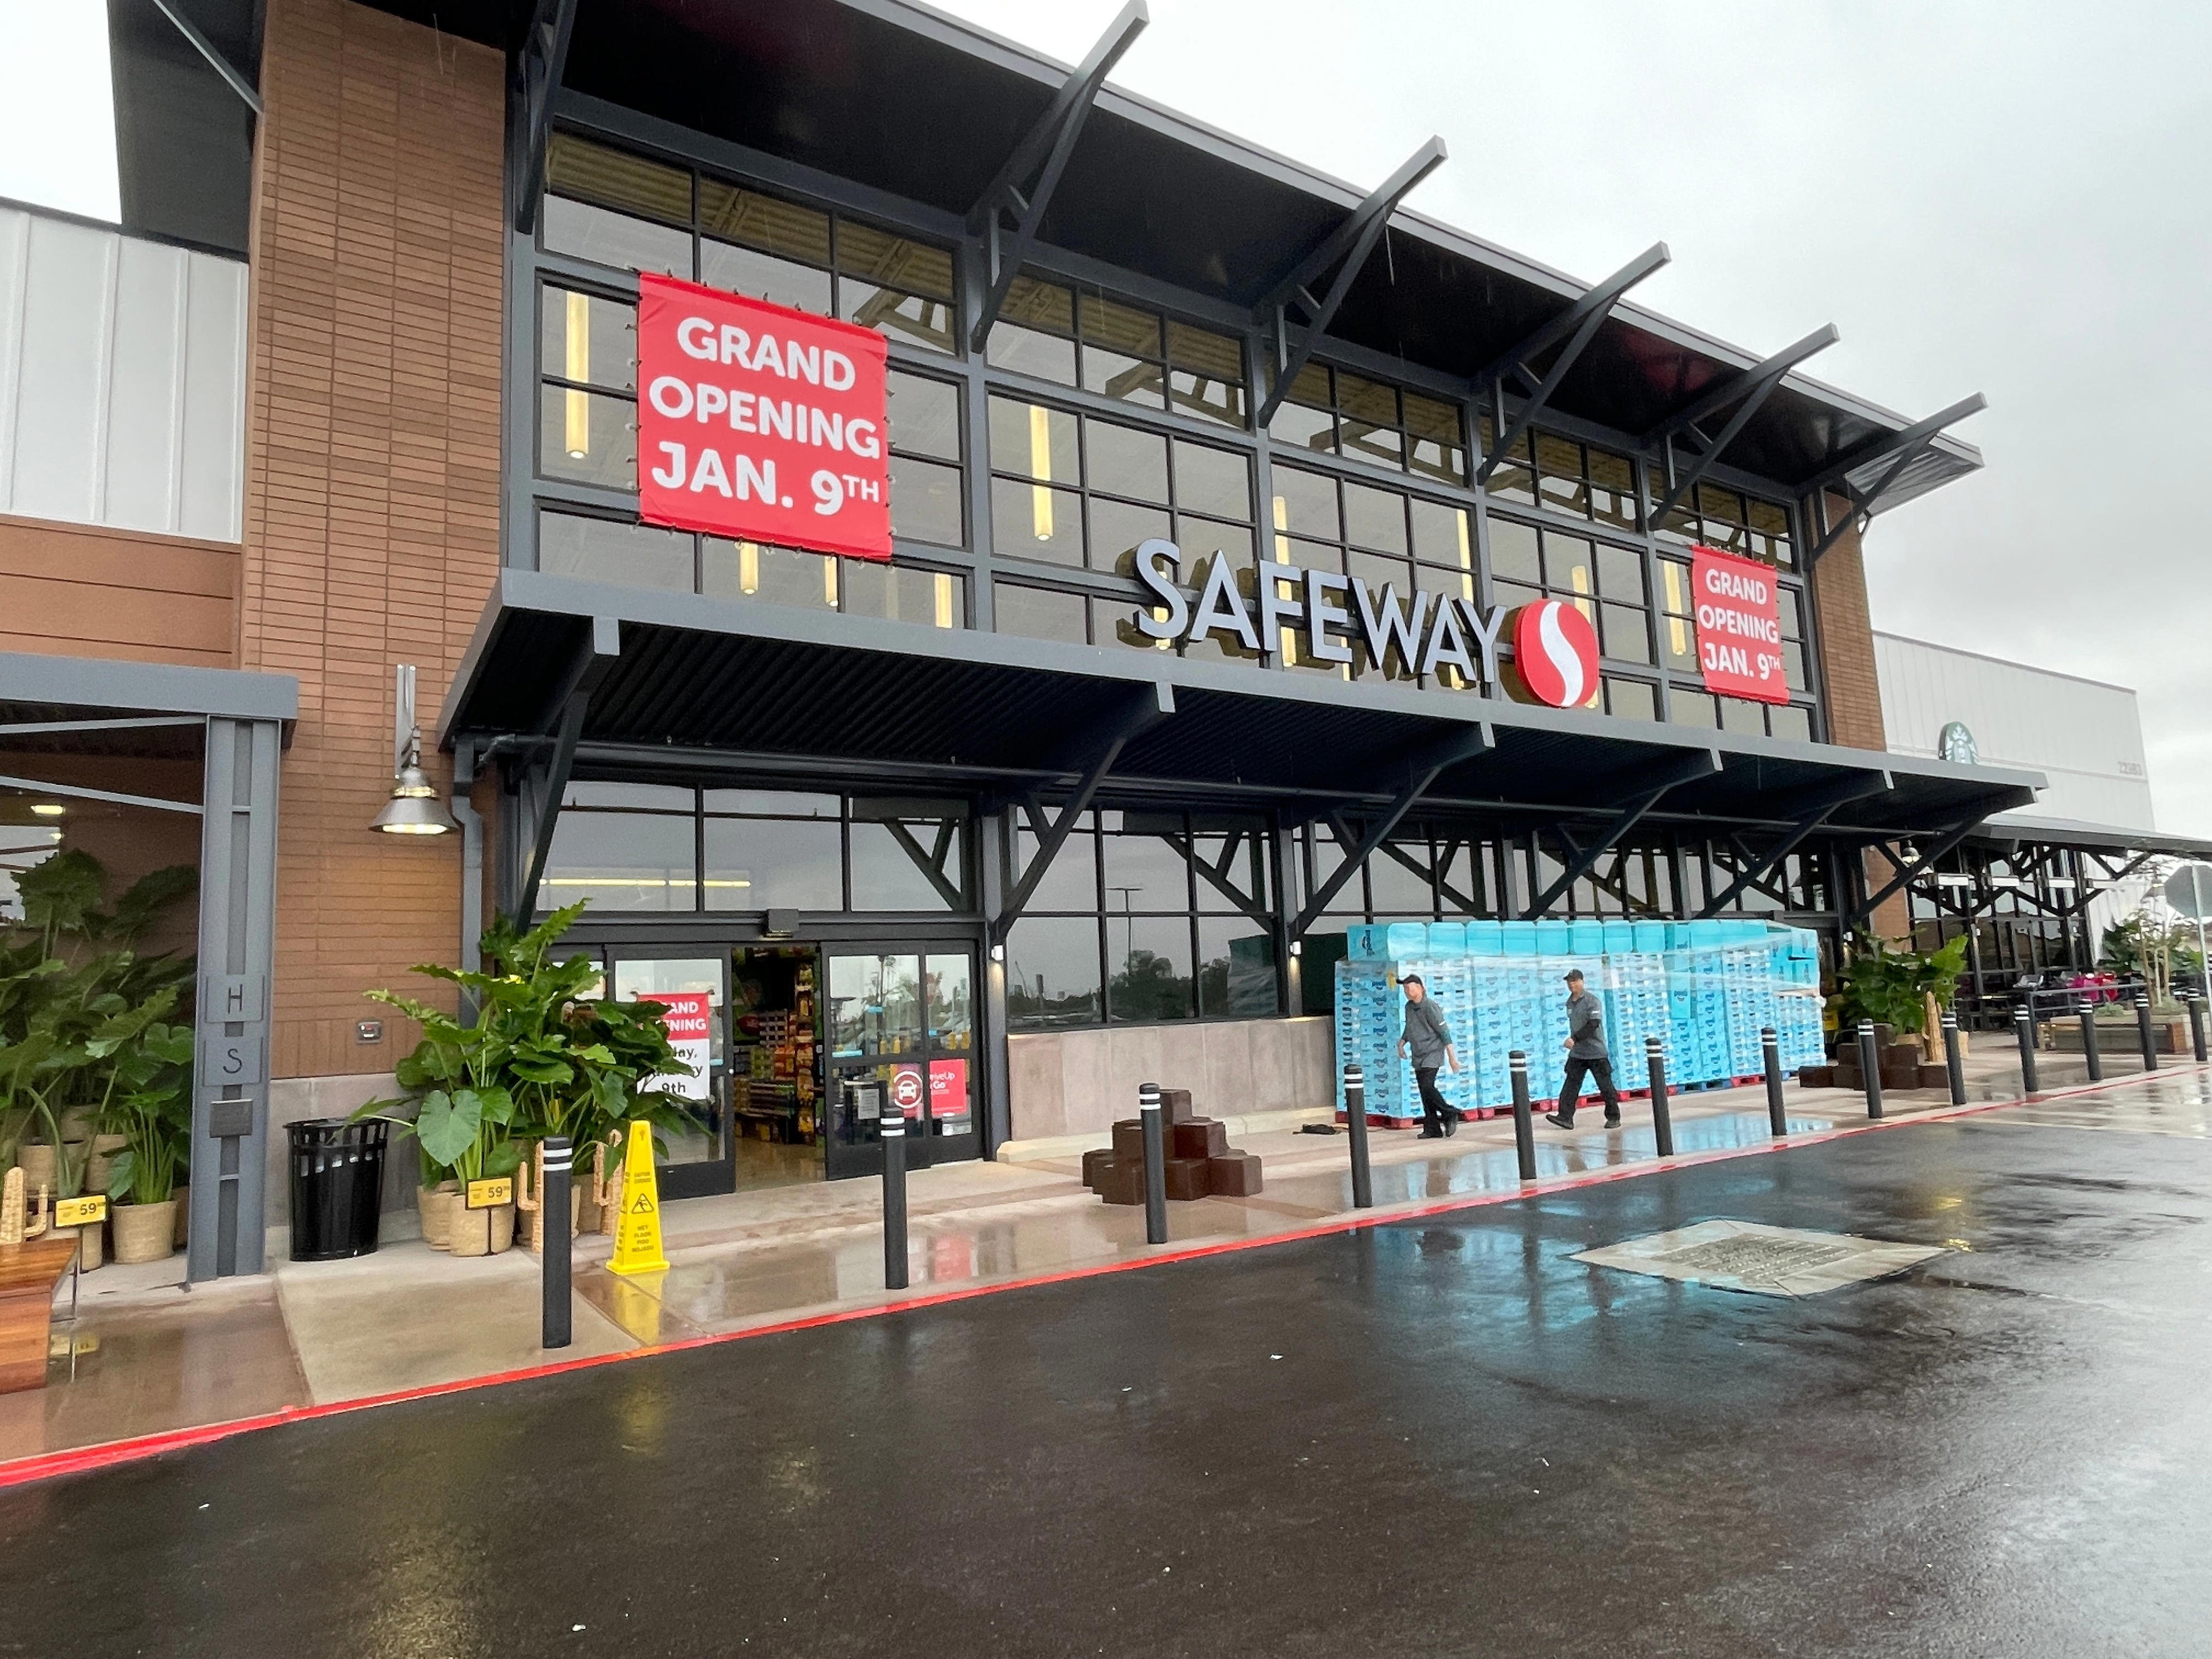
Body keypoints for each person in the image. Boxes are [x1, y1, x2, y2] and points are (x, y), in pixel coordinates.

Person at [1545, 967, 1621, 1129]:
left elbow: (1594, 1024)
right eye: (1569, 982)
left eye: (1574, 981)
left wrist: (1575, 1039)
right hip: (1578, 1053)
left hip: (1596, 1052)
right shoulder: (1570, 1003)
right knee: (1571, 1085)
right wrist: (1575, 1042)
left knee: (1605, 1086)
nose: (1571, 985)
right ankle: (1565, 1117)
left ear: (1582, 981)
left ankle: (1614, 1117)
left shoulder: (1592, 1001)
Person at [1396, 973, 1462, 1138]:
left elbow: (1444, 1032)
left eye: (1410, 987)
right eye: (1405, 989)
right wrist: (1402, 1043)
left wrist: (1452, 1058)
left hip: (1432, 1052)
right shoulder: (1409, 1007)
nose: (1407, 991)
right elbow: (1410, 1028)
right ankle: (1432, 1128)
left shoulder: (1430, 1007)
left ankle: (1450, 1113)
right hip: (1418, 1053)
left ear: (1421, 988)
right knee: (1424, 1093)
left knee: (1427, 1086)